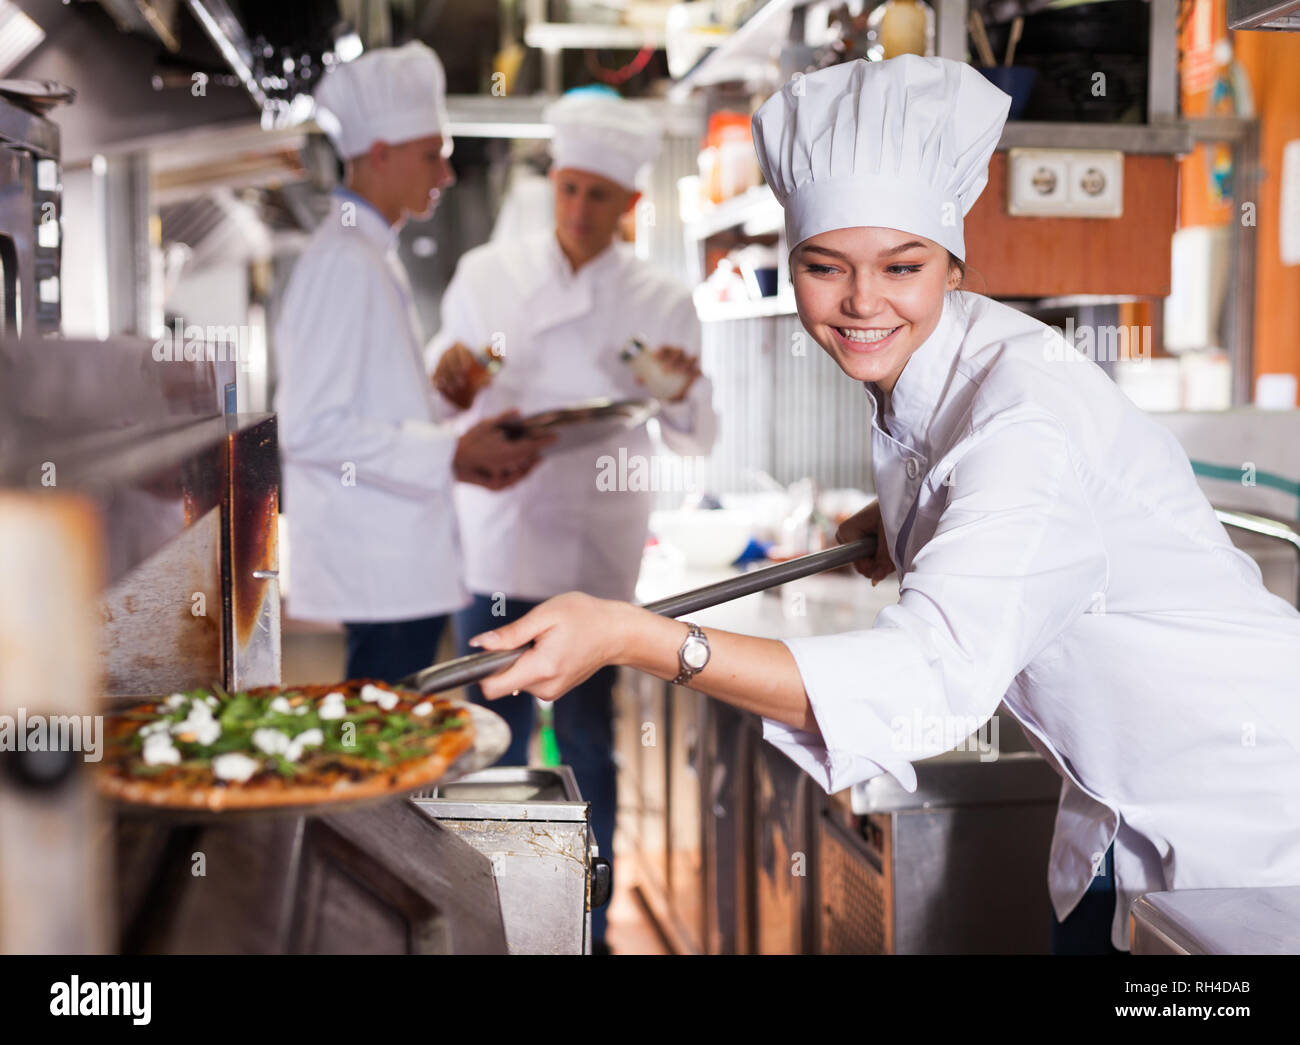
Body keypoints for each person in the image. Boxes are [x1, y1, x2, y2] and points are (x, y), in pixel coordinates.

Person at [462, 56, 1300, 954]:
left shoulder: (1024, 423)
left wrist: (635, 635)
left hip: (1246, 826)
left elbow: (927, 681)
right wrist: (908, 522)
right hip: (1118, 807)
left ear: (953, 262)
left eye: (902, 265)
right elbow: (980, 493)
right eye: (826, 267)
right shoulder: (952, 358)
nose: (863, 302)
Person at [427, 87, 718, 951]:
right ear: (552, 184)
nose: (582, 209)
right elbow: (446, 402)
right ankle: (483, 922)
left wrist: (679, 388)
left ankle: (584, 925)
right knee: (489, 739)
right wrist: (454, 382)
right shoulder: (491, 275)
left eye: (601, 194)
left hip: (599, 556)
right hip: (500, 544)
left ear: (632, 204)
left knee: (590, 742)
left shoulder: (661, 301)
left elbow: (697, 435)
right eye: (570, 189)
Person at [274, 42, 549, 684]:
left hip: (398, 574)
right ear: (380, 154)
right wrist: (449, 454)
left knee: (389, 748)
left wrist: (445, 406)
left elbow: (365, 411)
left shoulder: (369, 252)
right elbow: (310, 427)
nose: (447, 175)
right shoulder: (345, 260)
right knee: (380, 757)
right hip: (381, 577)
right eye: (435, 155)